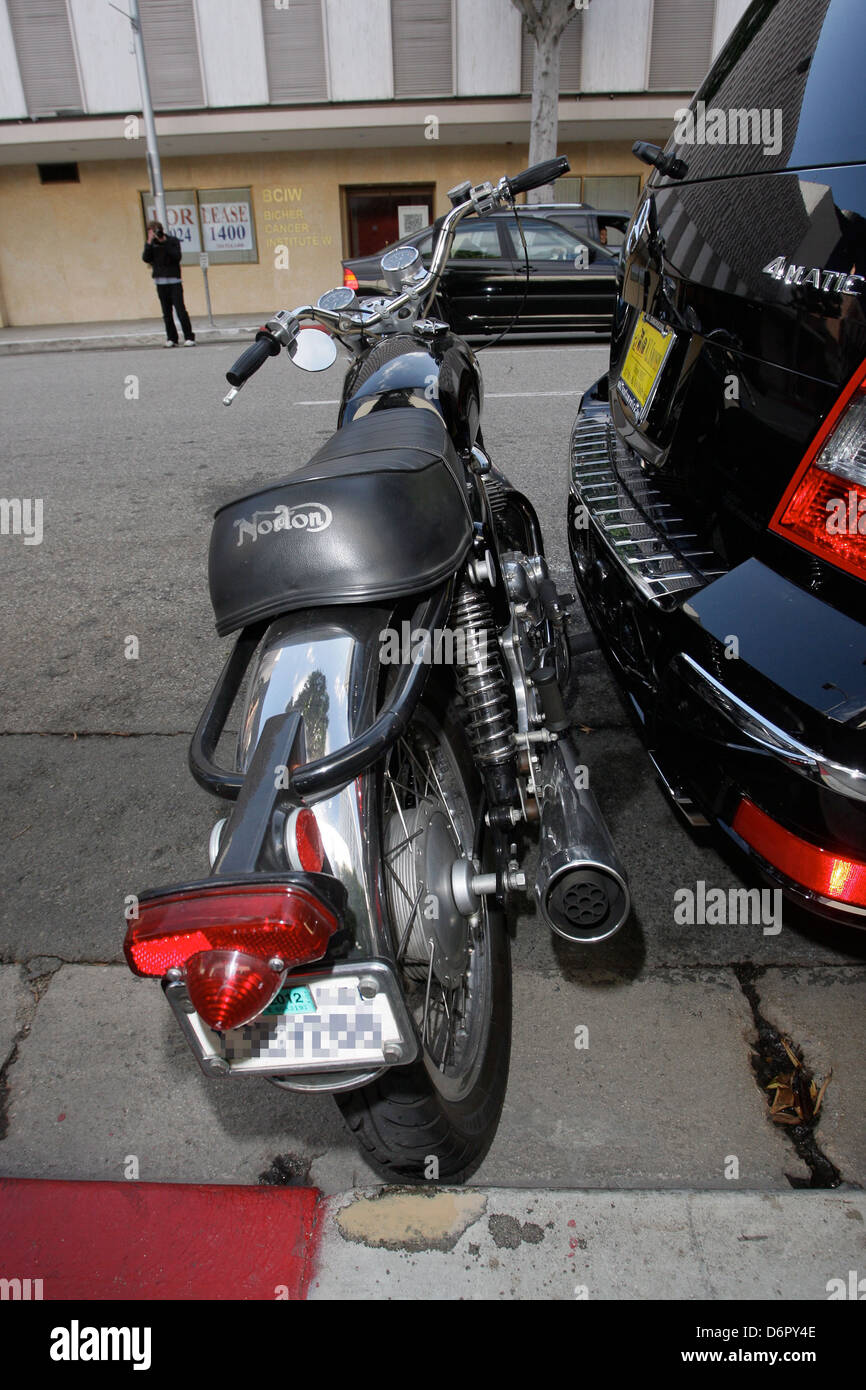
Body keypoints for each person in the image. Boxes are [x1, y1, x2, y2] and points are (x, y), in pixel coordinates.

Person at [142, 220, 195, 347]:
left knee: (180, 310)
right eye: (151, 232)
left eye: (156, 231)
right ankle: (172, 338)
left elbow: (177, 257)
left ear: (161, 230)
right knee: (166, 313)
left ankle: (189, 337)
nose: (155, 234)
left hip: (174, 281)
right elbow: (146, 258)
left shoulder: (172, 241)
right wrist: (149, 242)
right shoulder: (151, 244)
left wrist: (164, 242)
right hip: (160, 282)